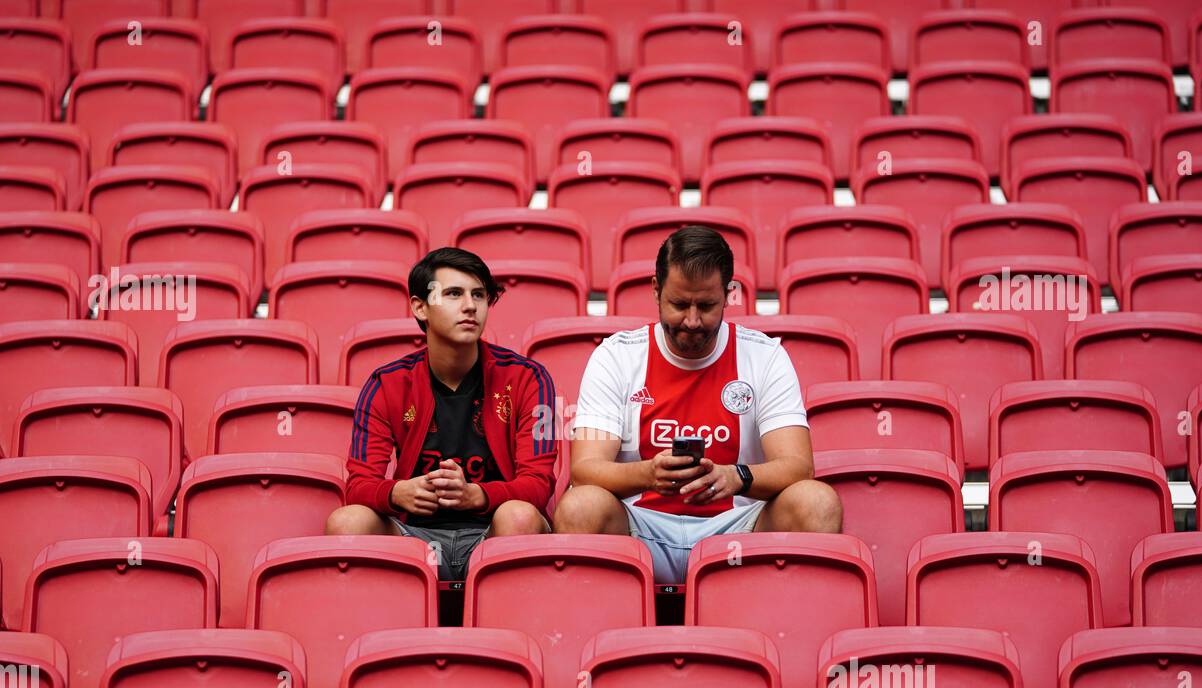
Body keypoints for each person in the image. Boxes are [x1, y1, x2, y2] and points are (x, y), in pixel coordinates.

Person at [553, 225, 842, 583]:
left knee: (817, 503)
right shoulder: (616, 356)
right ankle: (601, 635)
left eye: (706, 306)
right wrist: (648, 475)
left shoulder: (765, 355)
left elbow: (799, 466)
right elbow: (585, 470)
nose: (692, 321)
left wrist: (736, 476)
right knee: (579, 506)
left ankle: (786, 632)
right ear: (656, 291)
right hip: (640, 531)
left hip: (737, 529)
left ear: (728, 294)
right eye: (679, 304)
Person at [326, 247, 556, 580]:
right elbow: (359, 485)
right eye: (453, 294)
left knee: (518, 515)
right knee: (346, 522)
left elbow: (538, 485)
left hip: (493, 533)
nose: (470, 306)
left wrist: (476, 496)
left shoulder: (528, 377)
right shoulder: (387, 383)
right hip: (415, 539)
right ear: (420, 307)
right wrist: (396, 492)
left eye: (479, 295)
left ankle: (508, 626)